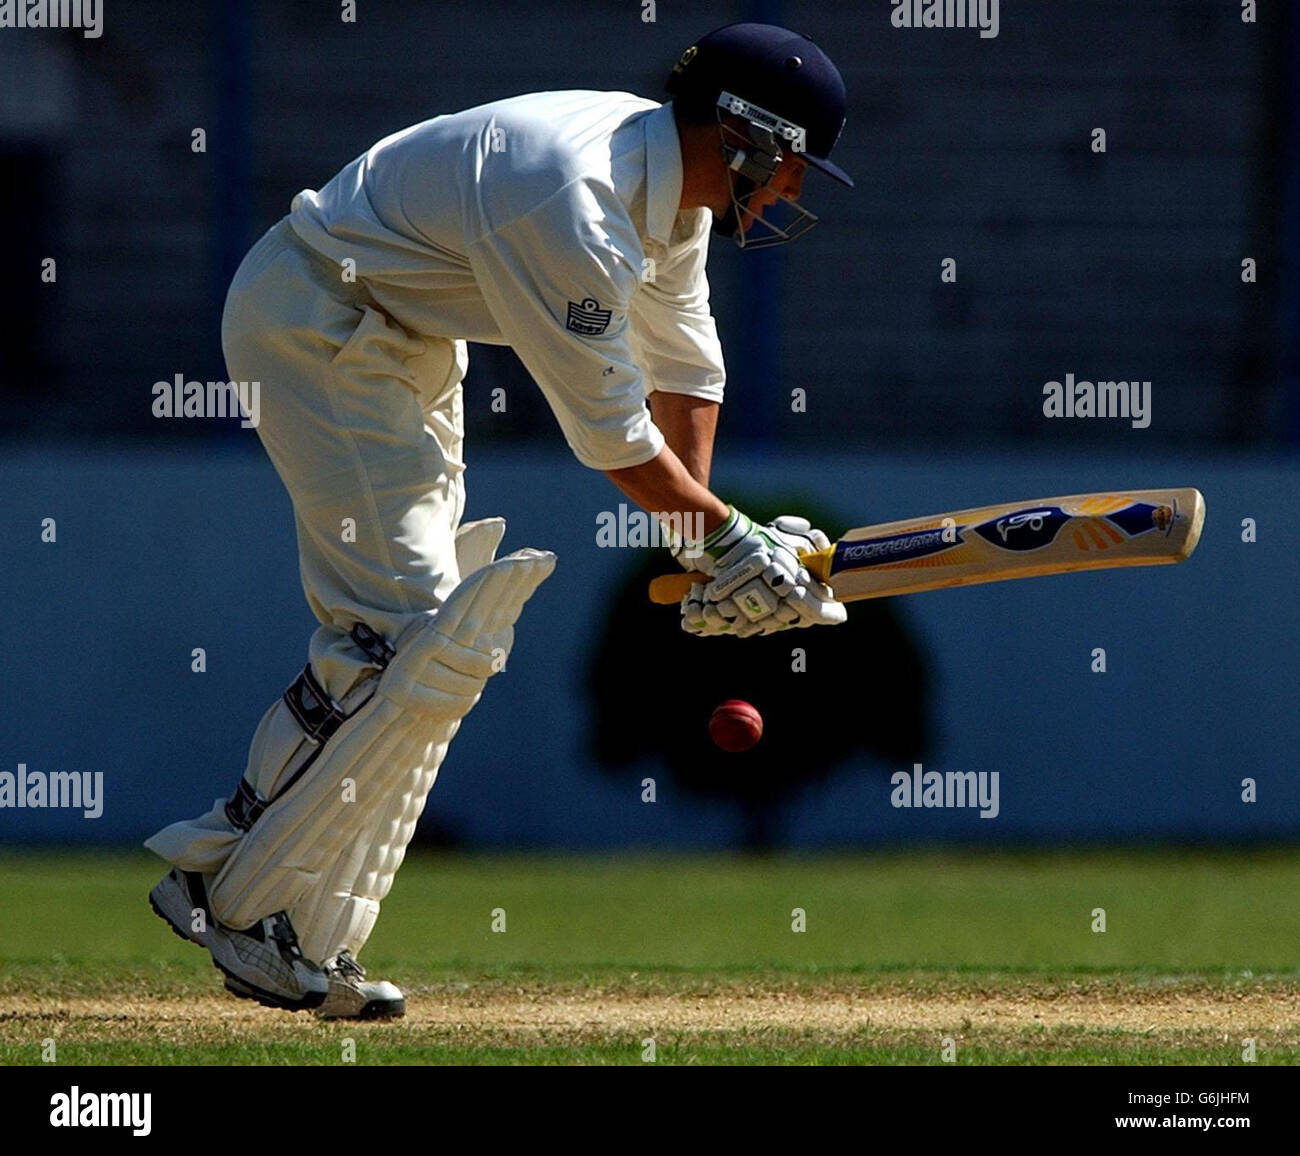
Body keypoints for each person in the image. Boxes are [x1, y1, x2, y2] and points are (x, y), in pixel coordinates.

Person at [144, 22, 853, 1019]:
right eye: (789, 165)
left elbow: (686, 370)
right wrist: (723, 536)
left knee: (430, 644)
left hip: (397, 338)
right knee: (408, 635)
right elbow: (609, 434)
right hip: (317, 324)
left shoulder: (670, 198)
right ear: (740, 137)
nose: (790, 190)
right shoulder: (574, 196)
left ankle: (301, 926)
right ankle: (229, 891)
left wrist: (694, 549)